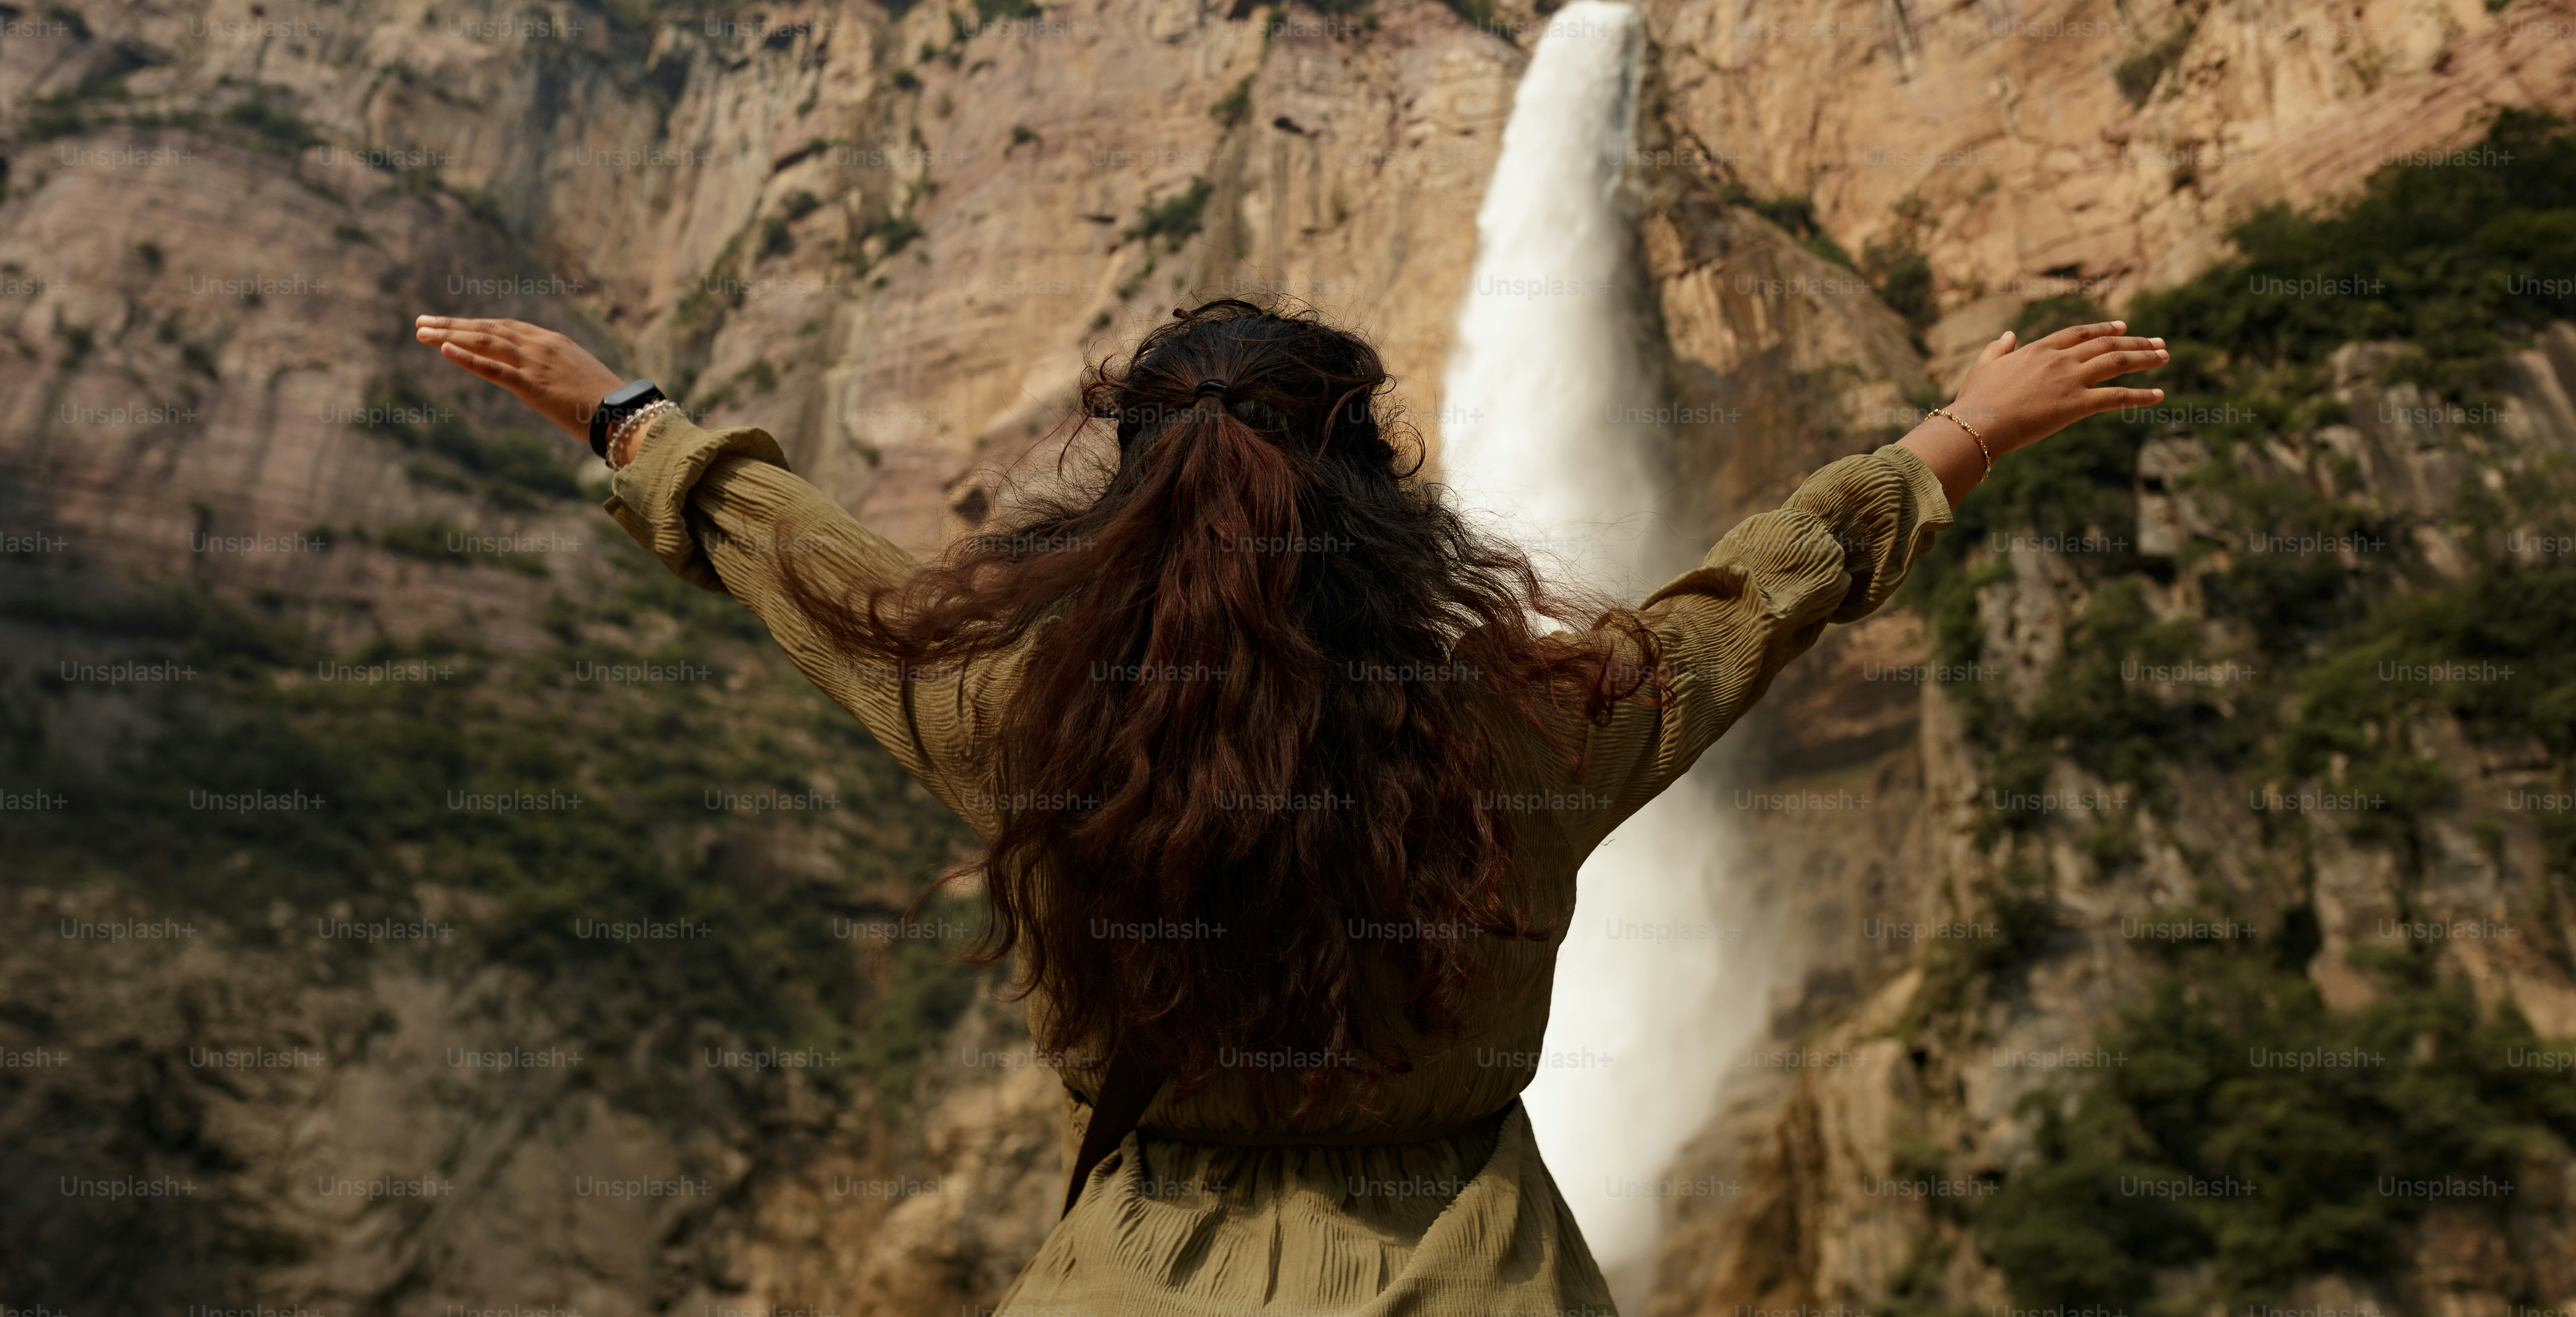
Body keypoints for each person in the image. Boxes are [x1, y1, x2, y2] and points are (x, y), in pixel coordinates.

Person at [415, 298, 2169, 1317]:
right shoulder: (1521, 726)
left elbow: (827, 580)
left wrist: (630, 420)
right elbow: (1742, 605)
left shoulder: (1018, 718)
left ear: (1122, 493)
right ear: (1384, 491)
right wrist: (1954, 435)